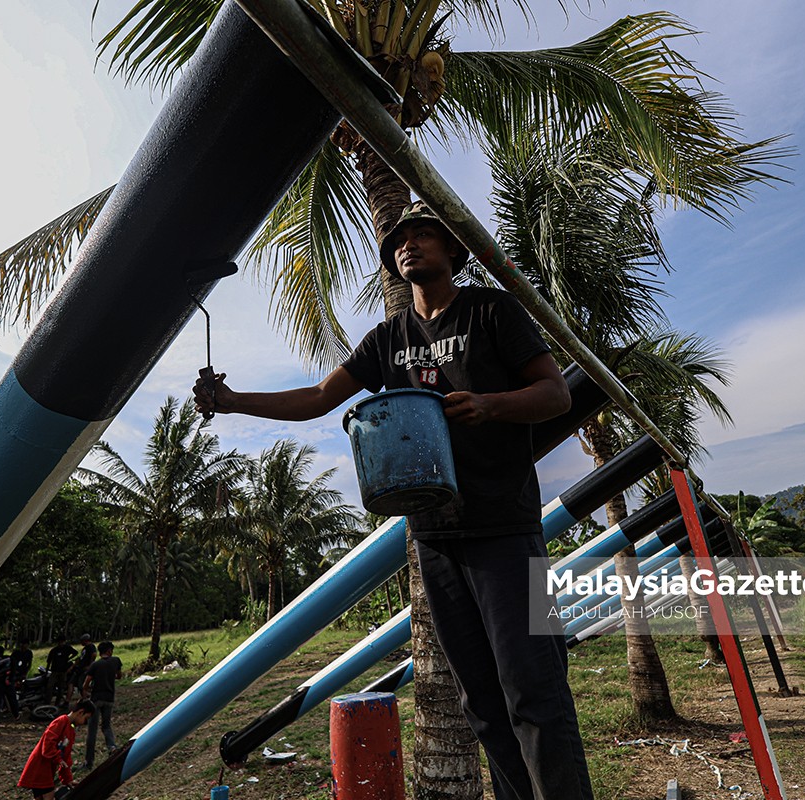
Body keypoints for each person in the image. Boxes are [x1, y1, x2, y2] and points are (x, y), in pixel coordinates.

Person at [193, 201, 593, 800]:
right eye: (401, 238)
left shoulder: (491, 310)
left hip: (510, 531)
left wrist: (491, 405)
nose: (410, 244)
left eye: (426, 234)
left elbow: (555, 393)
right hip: (434, 537)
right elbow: (320, 396)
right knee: (481, 701)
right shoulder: (389, 338)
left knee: (535, 691)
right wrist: (231, 401)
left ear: (454, 250)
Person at [17, 700, 95, 799]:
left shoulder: (70, 730)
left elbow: (65, 758)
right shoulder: (61, 721)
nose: (85, 722)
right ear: (80, 712)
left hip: (47, 770)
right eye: (86, 718)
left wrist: (68, 780)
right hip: (40, 768)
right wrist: (57, 759)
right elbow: (47, 745)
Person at [81, 641, 122, 770]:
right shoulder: (116, 661)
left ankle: (89, 762)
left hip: (96, 699)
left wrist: (85, 694)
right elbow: (119, 676)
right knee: (106, 726)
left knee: (92, 731)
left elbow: (86, 683)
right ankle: (112, 747)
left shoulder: (95, 665)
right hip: (109, 698)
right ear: (109, 651)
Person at [0, 645, 20, 727]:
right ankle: (16, 715)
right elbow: (14, 670)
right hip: (8, 683)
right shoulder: (10, 659)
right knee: (12, 700)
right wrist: (10, 679)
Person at [44, 636, 77, 707]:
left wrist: (69, 658)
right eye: (59, 642)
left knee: (61, 688)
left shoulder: (67, 648)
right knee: (50, 686)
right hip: (54, 671)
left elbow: (75, 653)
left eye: (62, 642)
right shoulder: (54, 650)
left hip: (63, 671)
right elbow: (49, 662)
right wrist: (46, 672)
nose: (61, 643)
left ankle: (57, 703)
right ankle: (47, 703)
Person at [67, 634, 96, 706]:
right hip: (79, 669)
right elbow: (81, 658)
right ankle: (67, 701)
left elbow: (94, 654)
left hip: (84, 669)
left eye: (82, 641)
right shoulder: (85, 648)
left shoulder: (91, 646)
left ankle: (86, 701)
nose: (81, 643)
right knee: (71, 683)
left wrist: (90, 665)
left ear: (85, 641)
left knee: (81, 685)